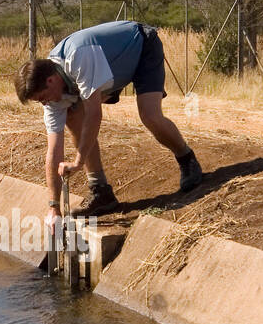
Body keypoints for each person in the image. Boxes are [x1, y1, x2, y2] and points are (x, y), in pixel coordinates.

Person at [14, 20, 202, 228]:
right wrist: (53, 207)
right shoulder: (52, 89)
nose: (45, 103)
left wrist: (78, 160)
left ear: (50, 81)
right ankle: (101, 191)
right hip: (110, 71)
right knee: (73, 116)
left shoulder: (79, 56)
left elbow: (95, 114)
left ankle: (187, 159)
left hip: (140, 48)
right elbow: (53, 149)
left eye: (43, 98)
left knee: (150, 115)